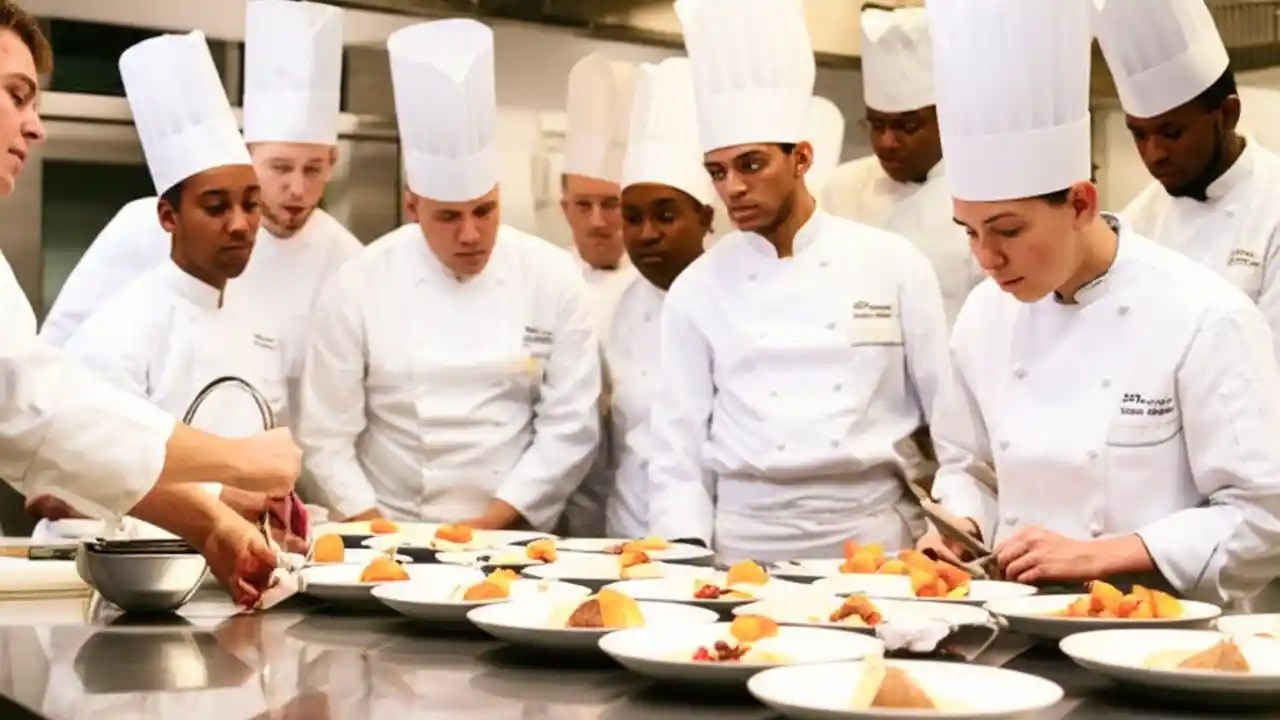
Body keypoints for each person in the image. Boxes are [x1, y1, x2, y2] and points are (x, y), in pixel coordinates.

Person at [917, 0, 1280, 609]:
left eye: (1007, 231)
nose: (987, 257)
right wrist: (960, 526)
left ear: (1081, 203)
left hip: (1162, 642)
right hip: (1013, 625)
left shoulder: (1204, 315)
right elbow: (967, 467)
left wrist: (1107, 552)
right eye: (969, 230)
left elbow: (1262, 513)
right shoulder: (984, 316)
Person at [0, 0, 298, 606]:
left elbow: (58, 437)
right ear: (170, 217)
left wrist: (209, 524)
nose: (36, 127)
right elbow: (44, 419)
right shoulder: (128, 320)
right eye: (15, 94)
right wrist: (232, 469)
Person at [647, 0, 949, 562]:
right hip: (743, 550)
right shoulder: (697, 288)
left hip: (875, 543)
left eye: (751, 164)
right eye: (718, 171)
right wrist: (686, 559)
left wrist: (947, 530)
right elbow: (675, 451)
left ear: (802, 157)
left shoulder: (894, 264)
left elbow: (952, 428)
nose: (732, 186)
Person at [299, 19, 601, 531]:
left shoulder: (552, 278)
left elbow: (569, 428)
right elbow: (325, 434)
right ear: (412, 205)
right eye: (448, 216)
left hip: (513, 537)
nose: (470, 234)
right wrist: (378, 535)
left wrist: (493, 526)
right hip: (388, 533)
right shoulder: (359, 282)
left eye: (485, 211)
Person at [54, 30, 297, 541]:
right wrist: (223, 500)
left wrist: (278, 510)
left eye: (251, 204)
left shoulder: (258, 321)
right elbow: (74, 482)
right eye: (216, 207)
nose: (239, 224)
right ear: (169, 216)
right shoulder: (121, 329)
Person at [40, 0, 362, 364]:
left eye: (313, 169)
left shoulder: (348, 262)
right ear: (246, 153)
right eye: (280, 167)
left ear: (333, 163)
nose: (298, 189)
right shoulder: (141, 229)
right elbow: (56, 354)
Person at [1097, 0, 1280, 361]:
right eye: (1138, 135)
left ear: (1228, 113)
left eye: (1172, 132)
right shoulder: (1137, 223)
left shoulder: (1272, 206)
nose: (1154, 154)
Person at [605, 58, 714, 537]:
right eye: (632, 217)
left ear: (706, 218)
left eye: (666, 216)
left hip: (723, 546)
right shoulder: (614, 308)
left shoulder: (733, 302)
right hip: (627, 537)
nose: (646, 233)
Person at [820, 5, 980, 326]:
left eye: (906, 127)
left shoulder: (980, 194)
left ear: (944, 118)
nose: (886, 142)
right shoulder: (841, 188)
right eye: (876, 125)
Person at [557, 52, 637, 537]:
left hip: (637, 501)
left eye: (612, 205)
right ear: (564, 207)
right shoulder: (546, 281)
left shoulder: (661, 285)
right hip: (559, 507)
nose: (598, 221)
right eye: (583, 205)